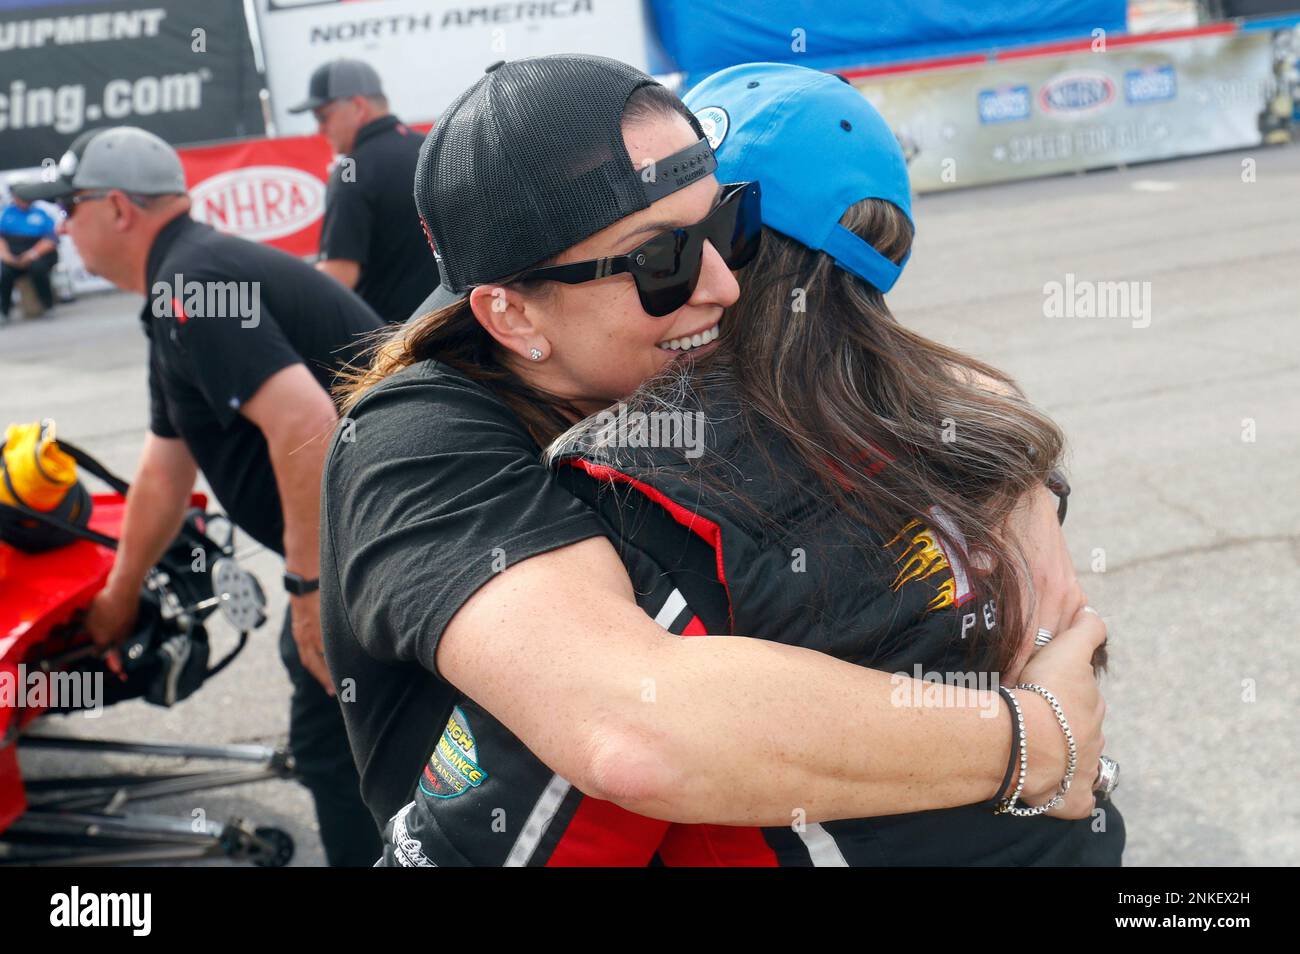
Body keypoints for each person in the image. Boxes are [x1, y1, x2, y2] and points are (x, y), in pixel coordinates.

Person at [322, 55, 1108, 866]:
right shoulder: (414, 443)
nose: (725, 287)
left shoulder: (632, 342)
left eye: (729, 229)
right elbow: (634, 730)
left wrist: (1014, 475)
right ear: (512, 315)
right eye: (660, 260)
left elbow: (863, 356)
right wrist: (1033, 738)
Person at [25, 125, 385, 866]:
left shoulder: (193, 281)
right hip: (377, 538)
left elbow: (306, 423)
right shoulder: (185, 281)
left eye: (70, 205)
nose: (61, 224)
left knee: (340, 754)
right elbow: (165, 468)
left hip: (386, 545)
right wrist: (118, 597)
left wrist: (310, 591)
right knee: (352, 744)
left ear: (118, 208)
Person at [289, 58, 435, 323]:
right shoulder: (432, 150)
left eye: (323, 116)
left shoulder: (351, 172)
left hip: (397, 344)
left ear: (358, 106)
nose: (319, 128)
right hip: (463, 324)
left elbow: (338, 277)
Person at [0, 187, 60, 322]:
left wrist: (32, 254)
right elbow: (1, 238)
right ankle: (4, 311)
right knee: (4, 272)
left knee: (38, 269)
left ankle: (48, 306)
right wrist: (6, 256)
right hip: (14, 253)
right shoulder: (6, 214)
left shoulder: (41, 213)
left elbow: (51, 239)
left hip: (38, 253)